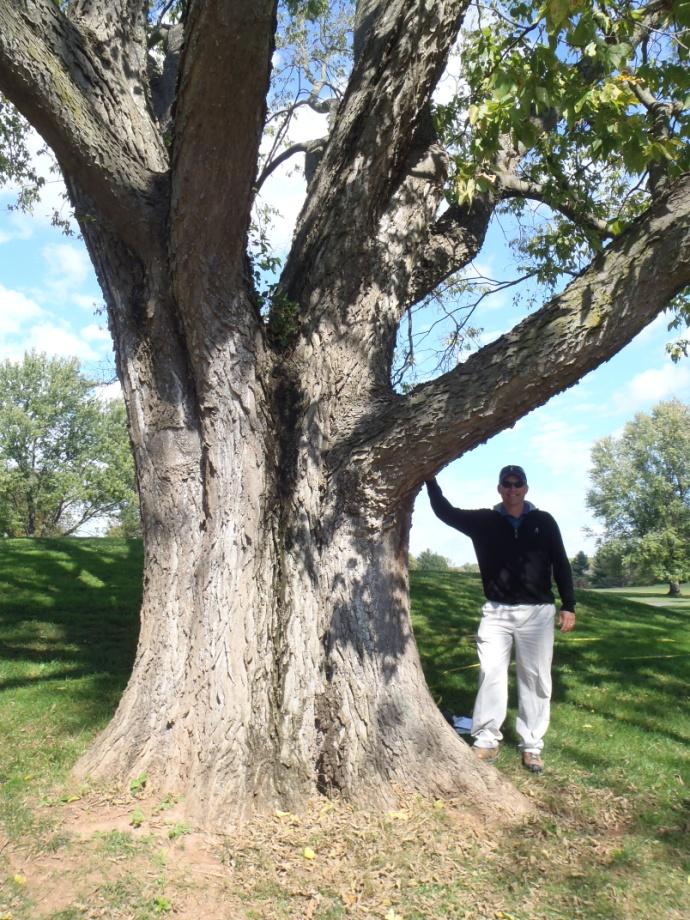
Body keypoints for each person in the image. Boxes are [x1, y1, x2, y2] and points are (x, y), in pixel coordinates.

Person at [425, 466, 576, 773]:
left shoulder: (543, 522)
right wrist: (429, 478)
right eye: (506, 484)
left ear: (525, 488)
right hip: (496, 612)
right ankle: (486, 740)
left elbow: (560, 562)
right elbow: (445, 512)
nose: (512, 489)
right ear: (499, 489)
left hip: (538, 612)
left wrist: (568, 604)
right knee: (490, 673)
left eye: (517, 484)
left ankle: (531, 745)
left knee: (535, 679)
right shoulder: (484, 521)